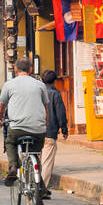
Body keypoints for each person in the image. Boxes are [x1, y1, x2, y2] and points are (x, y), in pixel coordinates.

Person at [0, 57, 49, 186]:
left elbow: (1, 109)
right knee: (34, 153)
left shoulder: (9, 85)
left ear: (15, 69)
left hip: (17, 128)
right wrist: (45, 124)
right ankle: (39, 186)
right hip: (38, 129)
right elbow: (46, 109)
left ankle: (13, 166)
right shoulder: (40, 85)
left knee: (10, 142)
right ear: (31, 69)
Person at [40, 68, 68, 197]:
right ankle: (41, 189)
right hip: (50, 133)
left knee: (35, 159)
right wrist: (64, 129)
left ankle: (29, 184)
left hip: (35, 131)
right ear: (54, 81)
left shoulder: (37, 92)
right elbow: (61, 113)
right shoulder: (55, 94)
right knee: (46, 163)